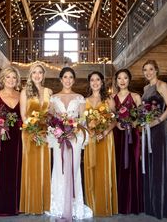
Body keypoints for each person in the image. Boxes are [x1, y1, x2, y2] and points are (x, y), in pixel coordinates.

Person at [47, 67, 93, 221]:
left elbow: (82, 120)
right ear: (61, 79)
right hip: (59, 140)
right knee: (59, 170)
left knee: (73, 169)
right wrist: (57, 131)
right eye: (65, 77)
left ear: (74, 80)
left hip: (74, 140)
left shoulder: (80, 98)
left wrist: (74, 131)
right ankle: (59, 204)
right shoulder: (53, 98)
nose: (67, 80)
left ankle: (74, 204)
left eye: (70, 77)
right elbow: (50, 120)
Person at [0, 66, 22, 215]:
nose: (11, 80)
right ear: (3, 79)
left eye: (14, 77)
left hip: (18, 140)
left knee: (16, 169)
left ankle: (17, 204)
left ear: (17, 80)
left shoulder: (22, 95)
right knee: (0, 170)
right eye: (8, 77)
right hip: (0, 139)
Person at [142, 60, 167, 219]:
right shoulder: (145, 88)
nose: (148, 72)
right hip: (147, 131)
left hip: (159, 130)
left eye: (151, 69)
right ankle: (151, 205)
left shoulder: (162, 85)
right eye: (145, 70)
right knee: (149, 166)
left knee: (159, 166)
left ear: (156, 70)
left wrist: (158, 121)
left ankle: (161, 207)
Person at [19, 61, 52, 214]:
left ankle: (44, 203)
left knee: (44, 166)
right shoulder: (25, 91)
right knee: (31, 167)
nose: (37, 75)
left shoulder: (48, 91)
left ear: (43, 75)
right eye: (34, 72)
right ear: (30, 75)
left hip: (44, 133)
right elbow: (23, 115)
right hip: (30, 133)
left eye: (40, 72)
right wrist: (32, 130)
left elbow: (50, 114)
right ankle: (31, 204)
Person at [84, 71, 118, 216]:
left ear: (102, 82)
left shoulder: (109, 99)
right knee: (91, 170)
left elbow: (115, 119)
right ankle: (92, 205)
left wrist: (104, 132)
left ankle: (104, 205)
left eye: (98, 80)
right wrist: (89, 130)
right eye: (92, 80)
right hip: (90, 139)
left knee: (104, 170)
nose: (95, 82)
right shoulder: (84, 101)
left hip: (105, 138)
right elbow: (82, 122)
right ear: (89, 83)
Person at [113, 69, 143, 214]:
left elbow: (141, 117)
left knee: (133, 165)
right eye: (119, 78)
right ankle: (120, 204)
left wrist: (133, 123)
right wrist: (117, 123)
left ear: (129, 80)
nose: (122, 81)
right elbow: (111, 118)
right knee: (119, 166)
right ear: (116, 80)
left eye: (125, 78)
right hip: (118, 136)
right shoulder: (112, 98)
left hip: (133, 136)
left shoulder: (136, 96)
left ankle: (134, 204)